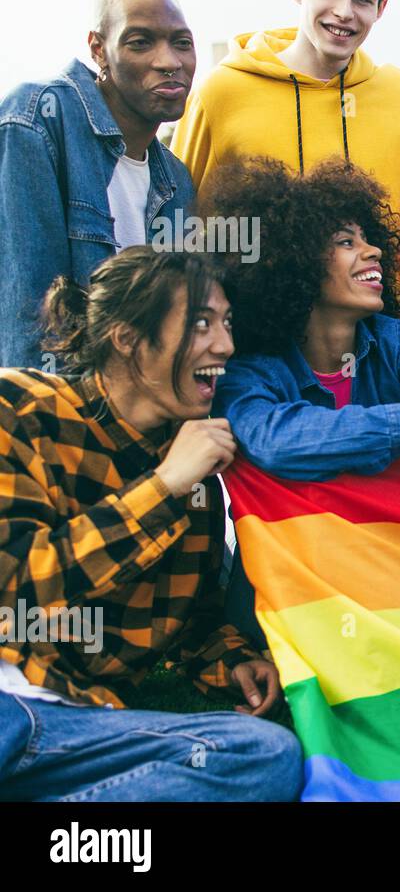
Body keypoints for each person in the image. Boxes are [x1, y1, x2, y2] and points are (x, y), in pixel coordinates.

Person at [0, 248, 303, 801]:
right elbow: (15, 594)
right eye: (201, 323)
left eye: (228, 323)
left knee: (262, 753)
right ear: (127, 337)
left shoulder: (198, 488)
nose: (226, 346)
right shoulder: (18, 407)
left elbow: (190, 623)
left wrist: (235, 662)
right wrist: (161, 488)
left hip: (81, 729)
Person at [170, 0, 400, 314]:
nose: (344, 12)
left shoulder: (397, 93)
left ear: (381, 7)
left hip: (376, 346)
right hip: (255, 343)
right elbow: (177, 228)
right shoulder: (221, 92)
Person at [210, 156, 400, 482]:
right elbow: (277, 443)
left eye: (368, 239)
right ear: (296, 262)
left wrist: (360, 440)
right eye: (347, 242)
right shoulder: (249, 367)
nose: (374, 251)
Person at [0, 0, 196, 368]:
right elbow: (30, 319)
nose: (169, 62)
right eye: (140, 42)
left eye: (182, 43)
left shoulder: (175, 181)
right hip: (56, 414)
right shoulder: (38, 119)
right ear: (99, 49)